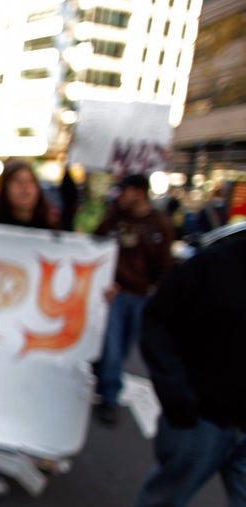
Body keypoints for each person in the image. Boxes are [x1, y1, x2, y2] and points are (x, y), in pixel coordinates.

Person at [117, 227, 246, 507]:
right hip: (200, 416)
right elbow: (158, 322)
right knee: (172, 488)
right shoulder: (215, 264)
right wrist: (177, 394)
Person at [0, 159, 60, 499]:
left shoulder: (55, 232)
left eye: (30, 182)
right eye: (17, 182)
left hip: (34, 330)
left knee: (28, 395)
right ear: (5, 190)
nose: (25, 188)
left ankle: (24, 450)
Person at [92, 173, 174, 426]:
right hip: (115, 295)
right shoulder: (117, 219)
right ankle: (110, 397)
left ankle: (102, 377)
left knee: (124, 346)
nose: (120, 196)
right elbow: (96, 240)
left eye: (124, 191)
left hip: (141, 297)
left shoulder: (159, 224)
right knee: (113, 347)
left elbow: (164, 264)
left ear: (138, 192)